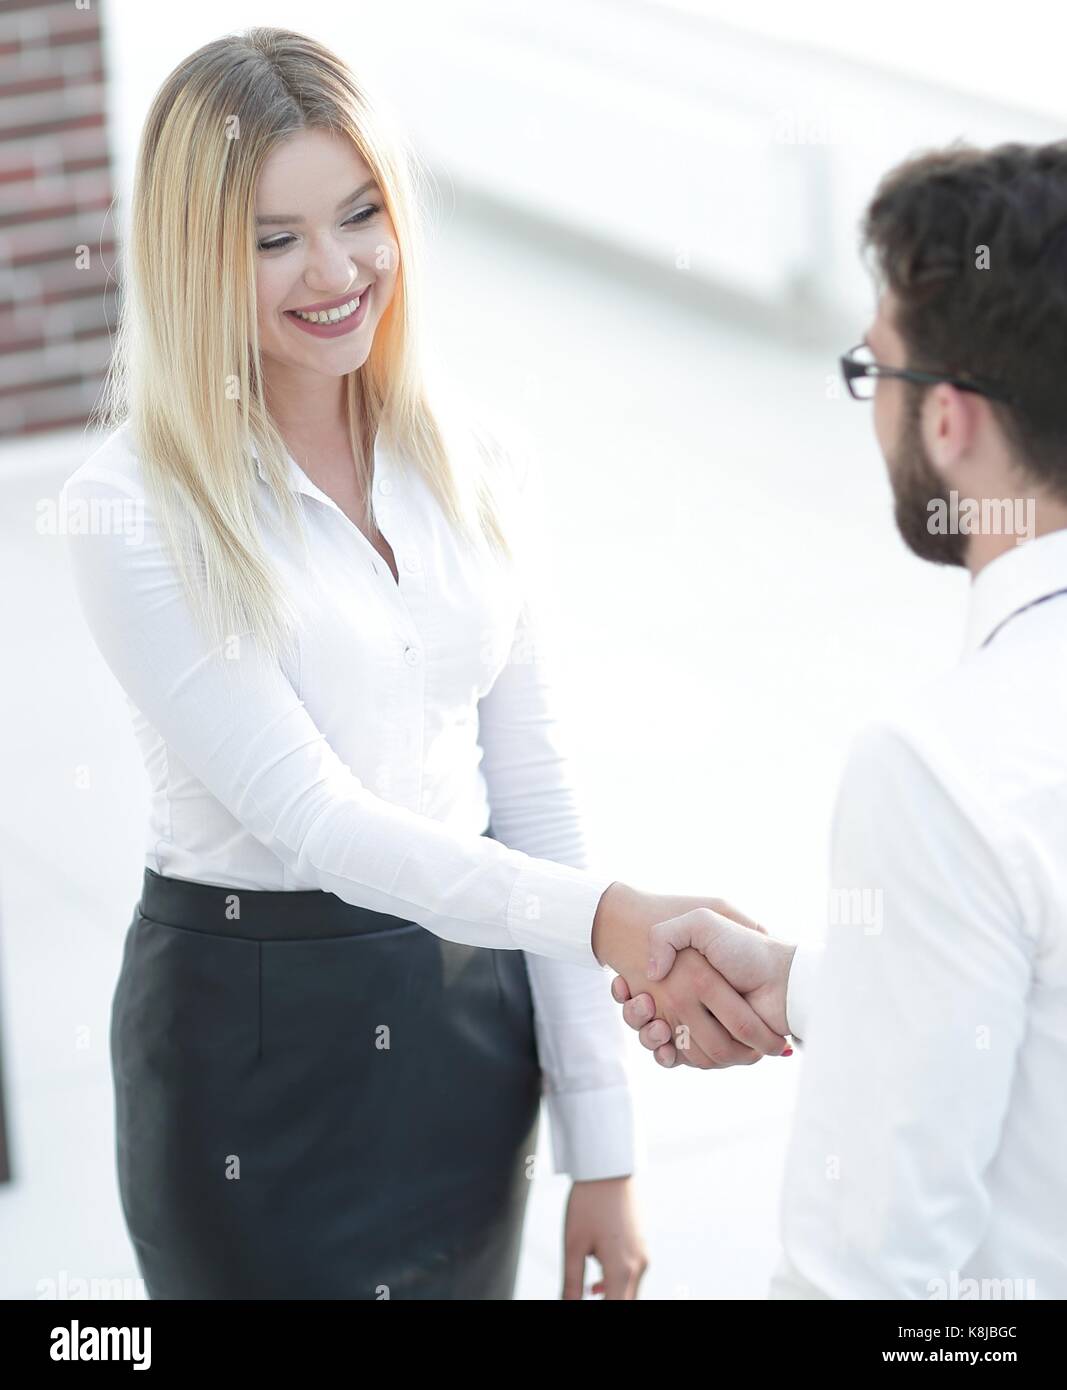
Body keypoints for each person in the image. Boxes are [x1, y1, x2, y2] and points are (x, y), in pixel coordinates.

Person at [62, 26, 787, 1302]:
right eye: (271, 237)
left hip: (465, 1026)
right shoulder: (130, 508)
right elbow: (314, 819)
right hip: (249, 1048)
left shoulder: (476, 456)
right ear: (191, 256)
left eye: (359, 212)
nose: (336, 270)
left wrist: (602, 1148)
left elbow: (534, 786)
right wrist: (618, 918)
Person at [612, 139, 1067, 1299]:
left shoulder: (939, 771)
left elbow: (862, 1274)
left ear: (952, 420)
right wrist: (828, 985)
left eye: (880, 376)